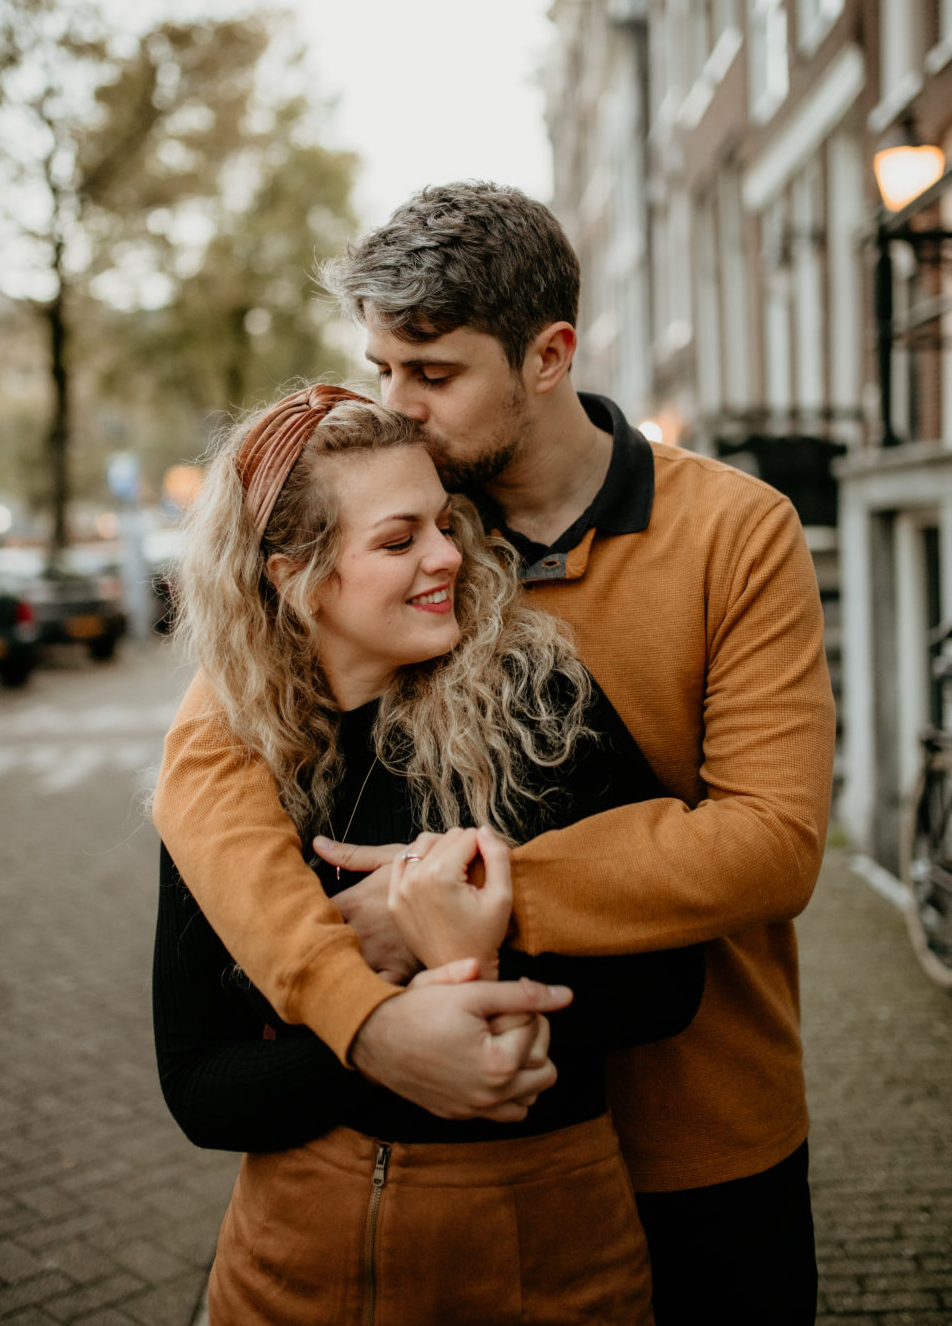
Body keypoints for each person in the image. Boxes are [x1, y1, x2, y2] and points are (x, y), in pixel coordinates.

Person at [154, 183, 836, 1325]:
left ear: (546, 356)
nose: (395, 406)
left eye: (430, 373)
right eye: (379, 367)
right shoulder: (408, 540)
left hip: (700, 1123)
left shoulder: (734, 531)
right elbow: (205, 759)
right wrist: (358, 1014)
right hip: (465, 1171)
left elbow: (770, 844)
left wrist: (455, 897)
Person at [153, 383, 705, 1325]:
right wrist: (391, 1043)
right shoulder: (233, 769)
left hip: (539, 1264)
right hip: (286, 1272)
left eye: (443, 525)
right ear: (293, 576)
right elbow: (203, 1090)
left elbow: (668, 982)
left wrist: (471, 952)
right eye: (398, 540)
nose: (449, 555)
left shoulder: (537, 704)